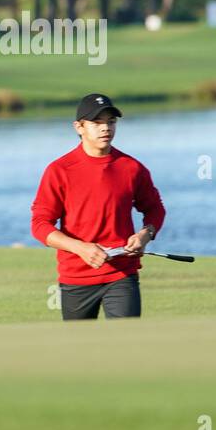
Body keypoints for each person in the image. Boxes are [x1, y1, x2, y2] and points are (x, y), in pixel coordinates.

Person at [30, 93, 166, 320]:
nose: (106, 128)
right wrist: (80, 248)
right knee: (80, 351)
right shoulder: (59, 170)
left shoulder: (131, 168)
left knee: (126, 345)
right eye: (97, 123)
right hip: (76, 278)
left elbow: (155, 208)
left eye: (111, 122)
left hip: (122, 274)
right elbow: (40, 225)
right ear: (79, 127)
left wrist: (145, 234)